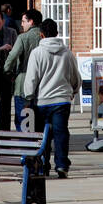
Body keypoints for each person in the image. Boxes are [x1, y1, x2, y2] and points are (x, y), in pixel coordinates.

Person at [22, 18, 80, 177]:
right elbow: (76, 77)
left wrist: (29, 96)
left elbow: (31, 78)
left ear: (41, 35)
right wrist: (73, 90)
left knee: (42, 135)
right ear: (57, 33)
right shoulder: (67, 53)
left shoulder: (37, 53)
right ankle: (61, 165)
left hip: (42, 101)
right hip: (62, 100)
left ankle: (43, 164)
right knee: (61, 133)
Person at [3, 9, 44, 130]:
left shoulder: (22, 37)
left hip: (23, 83)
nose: (21, 24)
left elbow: (12, 56)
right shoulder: (44, 37)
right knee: (39, 120)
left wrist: (7, 70)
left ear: (31, 22)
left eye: (23, 21)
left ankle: (25, 146)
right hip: (41, 84)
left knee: (23, 120)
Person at [0, 10, 19, 130]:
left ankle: (5, 131)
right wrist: (1, 48)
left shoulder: (12, 32)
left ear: (3, 21)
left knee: (6, 105)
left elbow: (17, 50)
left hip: (7, 73)